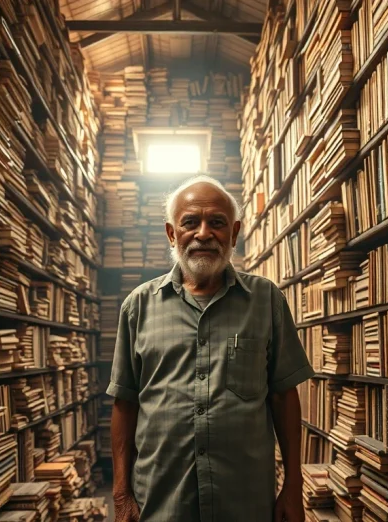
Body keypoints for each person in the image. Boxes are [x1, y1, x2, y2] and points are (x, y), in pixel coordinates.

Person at [107, 175, 315, 522]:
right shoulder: (138, 306)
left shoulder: (266, 300)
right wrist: (120, 494)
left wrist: (293, 486)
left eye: (216, 223)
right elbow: (124, 403)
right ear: (172, 233)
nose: (203, 233)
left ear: (233, 233)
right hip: (160, 502)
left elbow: (284, 396)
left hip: (245, 502)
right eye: (190, 222)